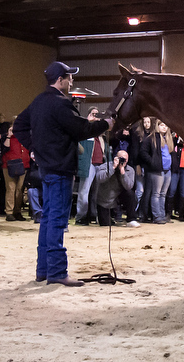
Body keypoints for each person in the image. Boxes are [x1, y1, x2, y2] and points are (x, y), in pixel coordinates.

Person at [13, 61, 114, 287]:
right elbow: (83, 129)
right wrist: (106, 123)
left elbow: (19, 126)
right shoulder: (60, 105)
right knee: (57, 220)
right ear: (60, 80)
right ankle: (57, 272)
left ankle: (43, 270)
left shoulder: (38, 101)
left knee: (48, 219)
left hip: (47, 167)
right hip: (60, 168)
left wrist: (34, 148)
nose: (71, 81)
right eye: (69, 77)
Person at [94, 149, 136, 227]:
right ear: (115, 158)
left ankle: (131, 219)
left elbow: (129, 186)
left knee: (130, 194)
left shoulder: (130, 170)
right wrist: (113, 168)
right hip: (105, 199)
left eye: (125, 159)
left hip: (119, 197)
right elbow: (99, 178)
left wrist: (122, 172)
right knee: (105, 225)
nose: (123, 161)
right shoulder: (105, 166)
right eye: (121, 158)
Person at [1, 123, 30, 221]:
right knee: (10, 188)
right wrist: (9, 135)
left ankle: (17, 211)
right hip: (9, 165)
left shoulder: (25, 137)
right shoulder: (6, 137)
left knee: (20, 189)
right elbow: (4, 148)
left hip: (24, 165)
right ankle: (9, 212)